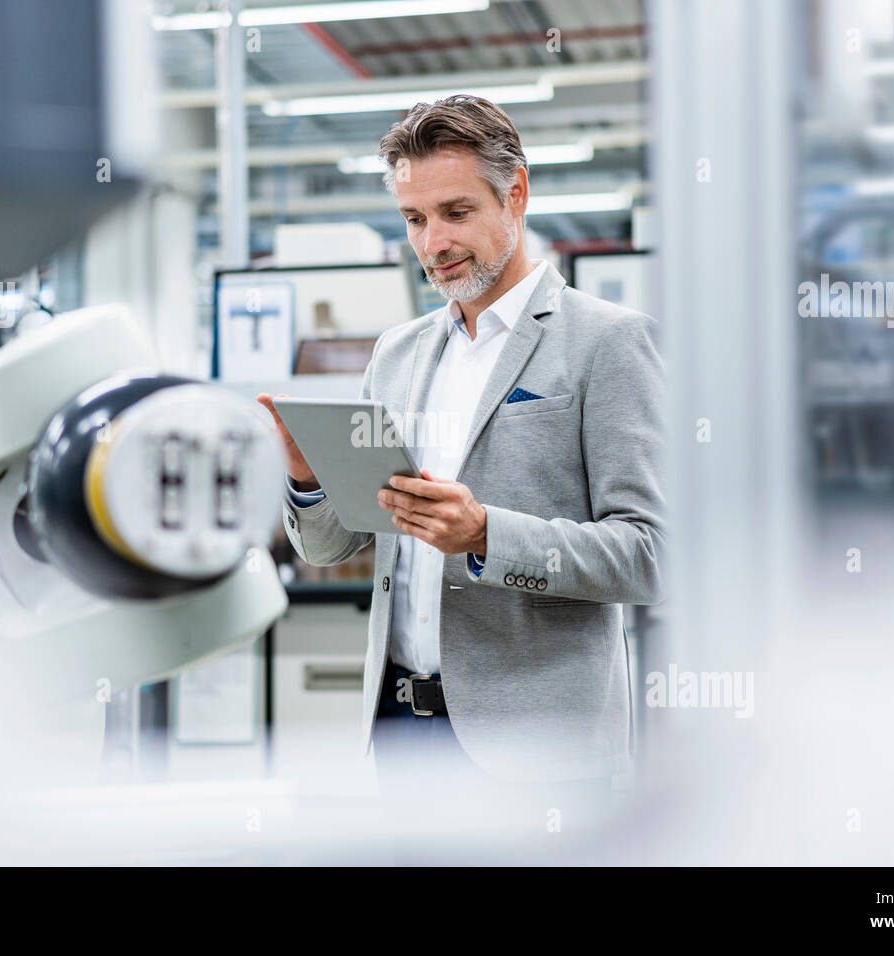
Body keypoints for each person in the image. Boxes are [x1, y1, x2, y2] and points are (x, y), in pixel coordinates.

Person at [257, 94, 664, 862]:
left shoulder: (606, 344)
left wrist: (487, 536)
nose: (433, 243)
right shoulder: (399, 354)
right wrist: (309, 479)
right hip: (400, 731)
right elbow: (330, 543)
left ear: (515, 195)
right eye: (414, 219)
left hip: (538, 754)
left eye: (453, 211)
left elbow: (649, 554)